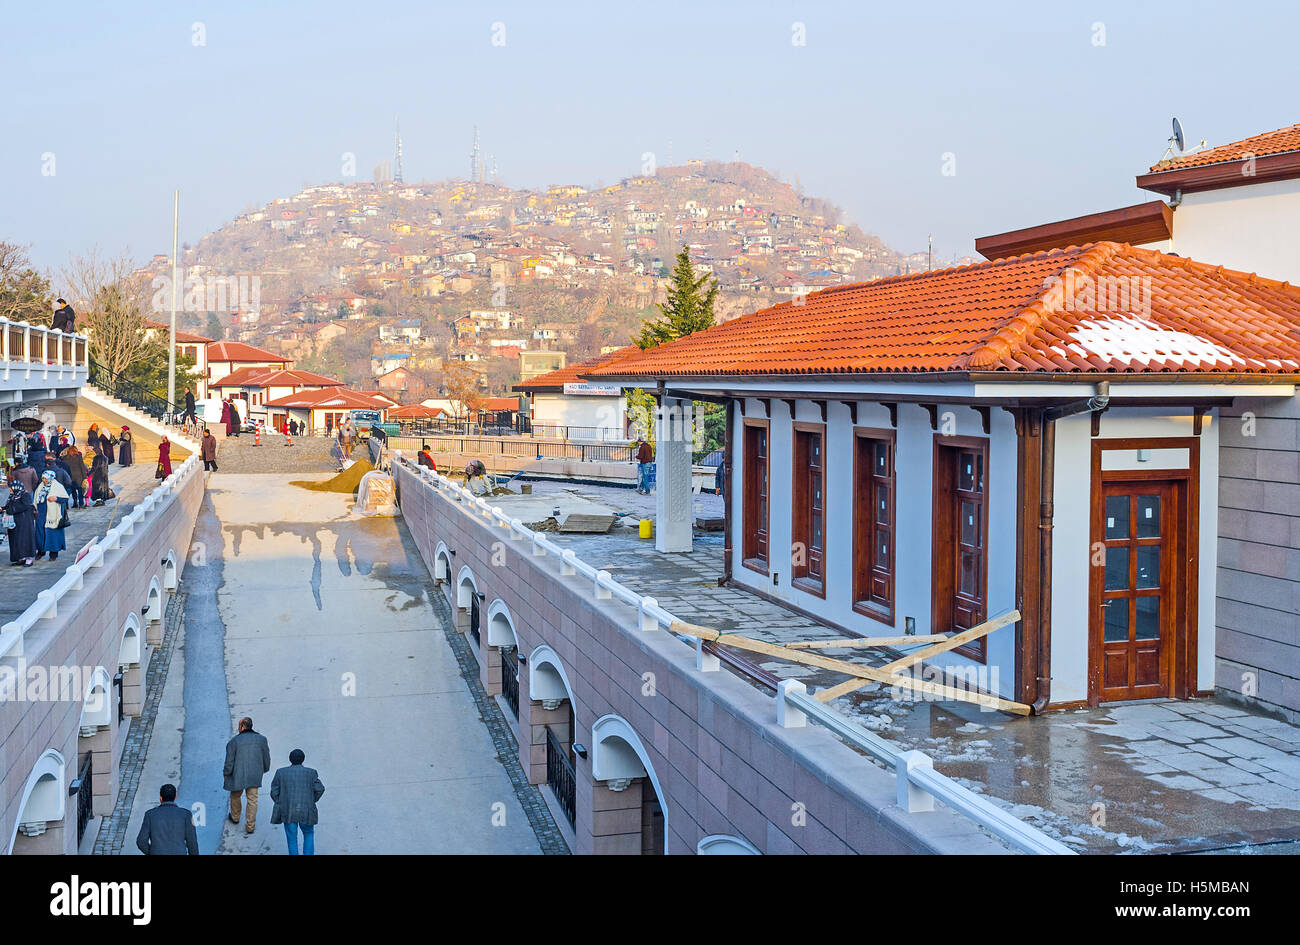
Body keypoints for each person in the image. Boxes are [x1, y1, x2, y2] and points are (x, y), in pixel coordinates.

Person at [270, 748, 325, 856]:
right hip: (307, 810)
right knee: (308, 834)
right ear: (303, 759)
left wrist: (281, 802)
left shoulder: (281, 773)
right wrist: (312, 800)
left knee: (291, 838)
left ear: (290, 759)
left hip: (288, 810)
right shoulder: (311, 773)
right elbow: (320, 789)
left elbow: (274, 791)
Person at [223, 716, 270, 834]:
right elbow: (266, 757)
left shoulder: (233, 742)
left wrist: (226, 773)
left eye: (239, 726)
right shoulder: (262, 739)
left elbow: (229, 762)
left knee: (235, 796)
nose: (238, 728)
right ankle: (250, 826)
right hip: (254, 774)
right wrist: (265, 768)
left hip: (237, 775)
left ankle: (235, 817)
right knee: (252, 800)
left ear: (243, 727)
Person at [135, 783, 199, 855]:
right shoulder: (186, 815)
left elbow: (141, 841)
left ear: (161, 798)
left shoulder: (150, 815)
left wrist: (151, 852)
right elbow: (192, 843)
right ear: (175, 797)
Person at [33, 470, 68, 562]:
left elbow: (65, 498)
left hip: (53, 514)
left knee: (52, 533)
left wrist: (56, 498)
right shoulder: (40, 486)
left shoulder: (58, 486)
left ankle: (53, 553)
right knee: (40, 532)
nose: (44, 480)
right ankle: (41, 551)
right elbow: (36, 497)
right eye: (43, 478)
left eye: (45, 478)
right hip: (41, 513)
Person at [4, 478, 36, 566]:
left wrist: (11, 510)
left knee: (26, 539)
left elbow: (25, 506)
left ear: (16, 487)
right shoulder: (13, 496)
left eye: (10, 488)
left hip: (25, 522)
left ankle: (29, 559)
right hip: (16, 522)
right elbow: (9, 506)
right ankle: (21, 557)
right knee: (17, 540)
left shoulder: (25, 495)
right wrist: (3, 509)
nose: (9, 490)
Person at [61, 444, 88, 508]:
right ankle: (81, 504)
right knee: (80, 491)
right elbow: (82, 467)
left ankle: (75, 503)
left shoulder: (64, 458)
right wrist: (85, 477)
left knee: (73, 491)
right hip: (79, 477)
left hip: (70, 477)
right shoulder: (78, 457)